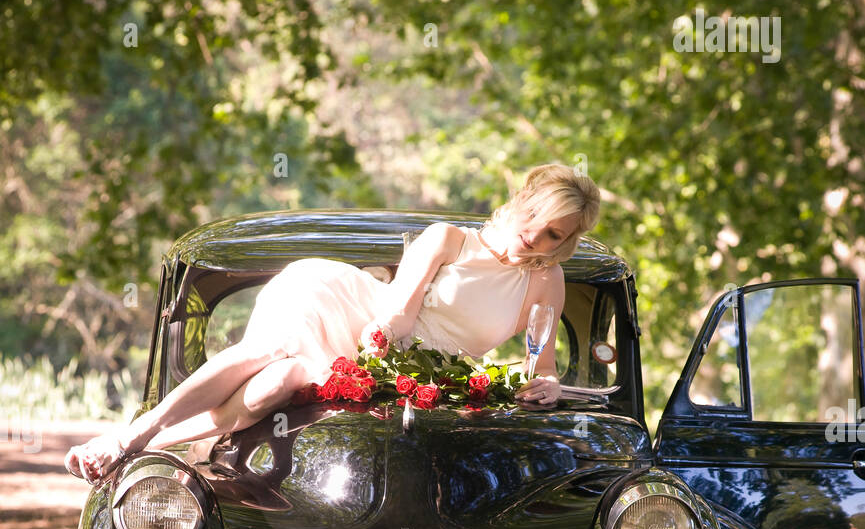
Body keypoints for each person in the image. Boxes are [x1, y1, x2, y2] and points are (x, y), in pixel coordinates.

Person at [65, 163, 601, 482]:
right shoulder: (448, 239)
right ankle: (132, 436)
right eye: (536, 218)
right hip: (360, 313)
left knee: (278, 383)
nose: (538, 236)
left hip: (425, 374)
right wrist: (382, 340)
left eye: (556, 233)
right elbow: (400, 310)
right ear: (521, 204)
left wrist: (546, 386)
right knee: (268, 351)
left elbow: (541, 366)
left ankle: (150, 445)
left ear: (565, 241)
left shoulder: (544, 280)